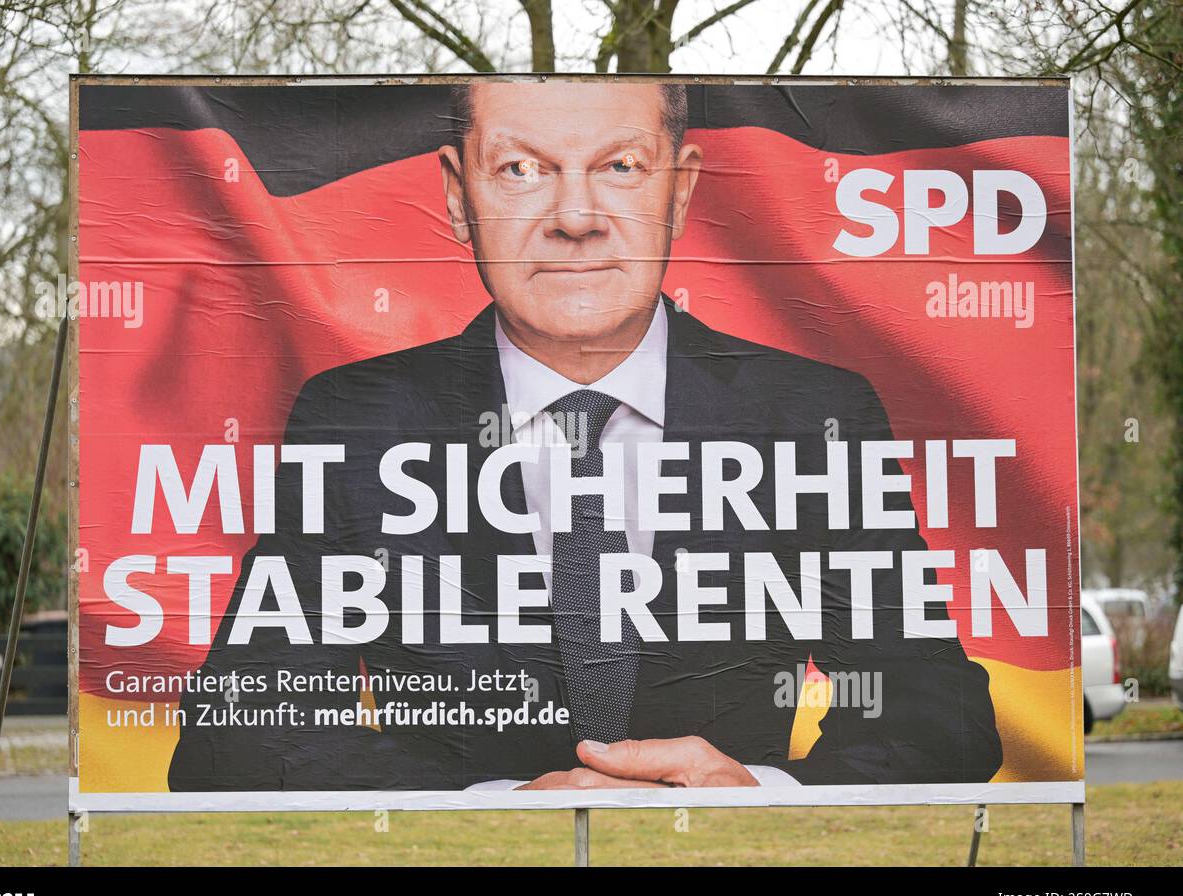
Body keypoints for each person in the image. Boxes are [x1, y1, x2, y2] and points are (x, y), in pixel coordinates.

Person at [168, 81, 1002, 792]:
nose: (575, 216)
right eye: (521, 169)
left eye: (621, 168)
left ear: (680, 190)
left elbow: (944, 719)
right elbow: (231, 736)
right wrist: (492, 811)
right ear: (459, 196)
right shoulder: (356, 422)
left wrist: (759, 795)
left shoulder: (812, 417)